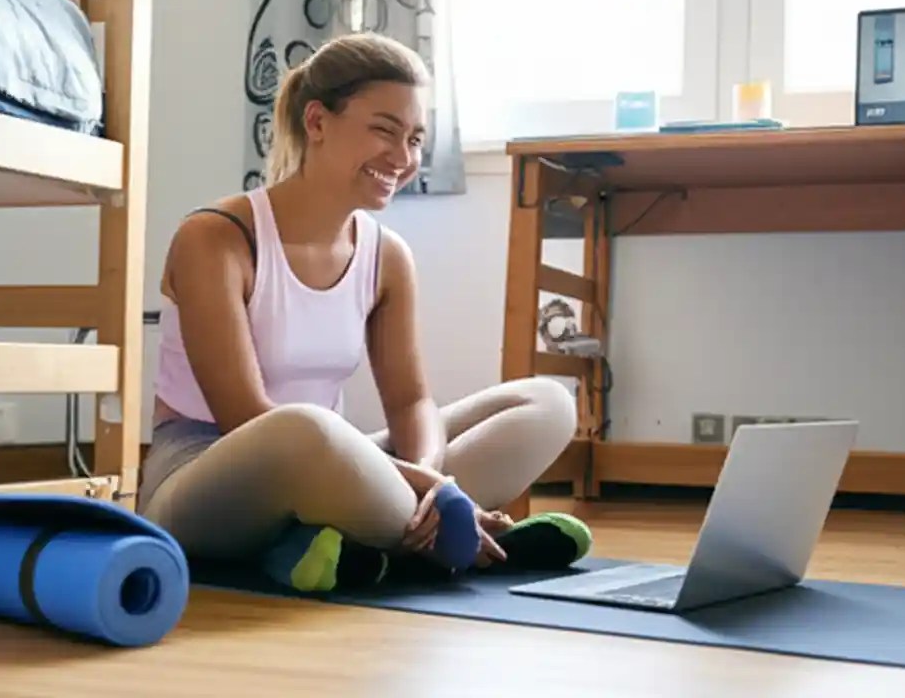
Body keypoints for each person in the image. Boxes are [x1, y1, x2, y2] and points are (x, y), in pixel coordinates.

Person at [137, 32, 591, 593]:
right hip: (205, 474)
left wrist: (432, 478)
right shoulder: (215, 239)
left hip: (335, 464)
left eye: (415, 138)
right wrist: (429, 488)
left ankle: (357, 540)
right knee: (304, 429)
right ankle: (437, 538)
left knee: (546, 403)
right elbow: (247, 420)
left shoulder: (387, 255)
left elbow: (410, 401)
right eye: (383, 130)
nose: (402, 159)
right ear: (318, 122)